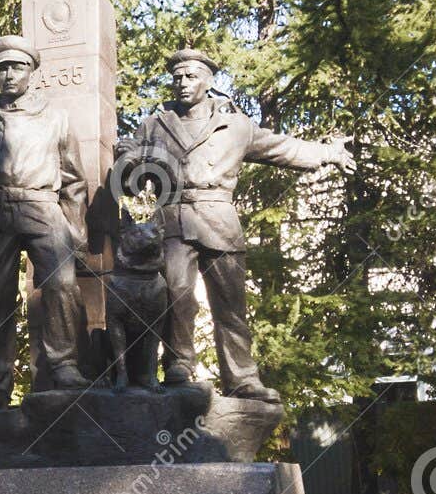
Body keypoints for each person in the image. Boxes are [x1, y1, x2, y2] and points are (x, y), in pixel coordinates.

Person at [123, 48, 353, 398]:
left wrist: (327, 153)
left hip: (218, 218)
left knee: (230, 304)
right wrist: (126, 160)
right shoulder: (154, 126)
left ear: (208, 81)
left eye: (191, 76)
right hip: (171, 219)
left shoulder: (235, 126)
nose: (183, 83)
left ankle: (242, 378)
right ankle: (179, 366)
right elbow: (129, 178)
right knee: (176, 298)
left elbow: (282, 148)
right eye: (177, 77)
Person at [0, 35, 90, 411]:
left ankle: (64, 365)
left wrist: (75, 233)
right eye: (1, 68)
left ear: (32, 72)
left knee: (62, 286)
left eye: (17, 67)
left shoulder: (56, 118)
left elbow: (73, 179)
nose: (9, 74)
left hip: (43, 209)